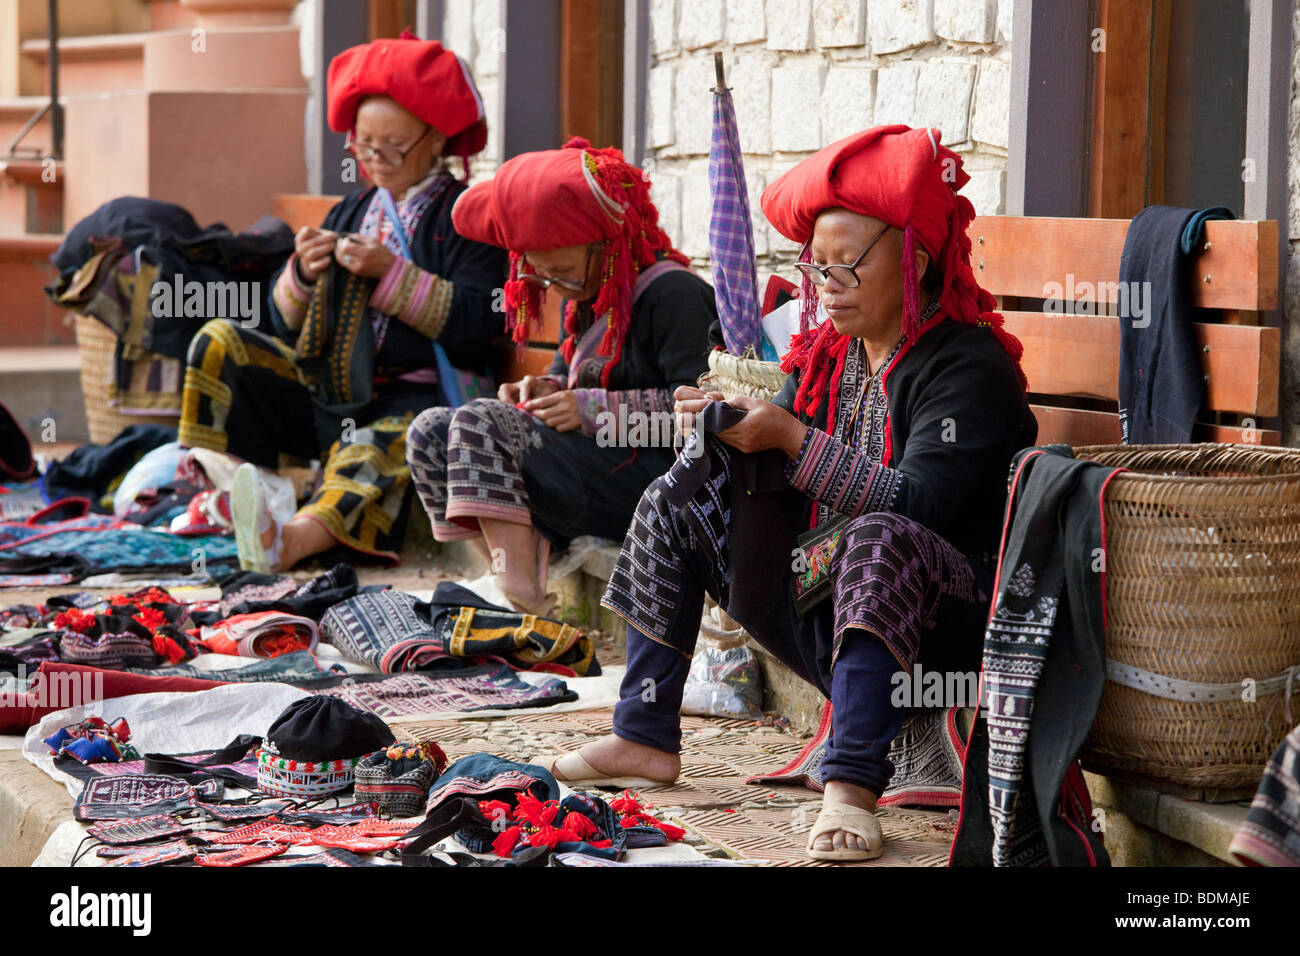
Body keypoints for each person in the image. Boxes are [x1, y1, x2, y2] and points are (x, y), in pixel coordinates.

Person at [535, 125, 1039, 862]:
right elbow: (776, 454)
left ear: (914, 261)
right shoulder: (836, 355)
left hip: (951, 629)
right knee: (687, 484)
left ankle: (851, 787)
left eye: (847, 266)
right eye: (818, 266)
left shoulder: (968, 367)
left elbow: (920, 507)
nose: (825, 285)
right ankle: (643, 731)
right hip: (832, 607)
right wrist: (720, 424)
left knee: (881, 537)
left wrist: (790, 440)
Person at [177, 35, 506, 572]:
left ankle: (289, 541)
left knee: (373, 450)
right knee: (218, 342)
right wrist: (301, 274)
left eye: (392, 147)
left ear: (436, 138)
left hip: (411, 404)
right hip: (327, 397)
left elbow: (474, 325)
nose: (374, 160)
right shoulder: (350, 210)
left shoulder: (464, 217)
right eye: (363, 145)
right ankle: (214, 487)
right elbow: (281, 328)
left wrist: (391, 275)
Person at [405, 138, 717, 614]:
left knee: (479, 424)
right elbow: (565, 380)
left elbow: (707, 418)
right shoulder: (586, 296)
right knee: (429, 431)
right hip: (590, 473)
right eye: (544, 277)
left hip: (659, 491)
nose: (559, 289)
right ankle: (507, 573)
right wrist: (539, 393)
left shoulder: (674, 295)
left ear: (608, 245)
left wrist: (593, 411)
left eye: (565, 272)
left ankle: (524, 605)